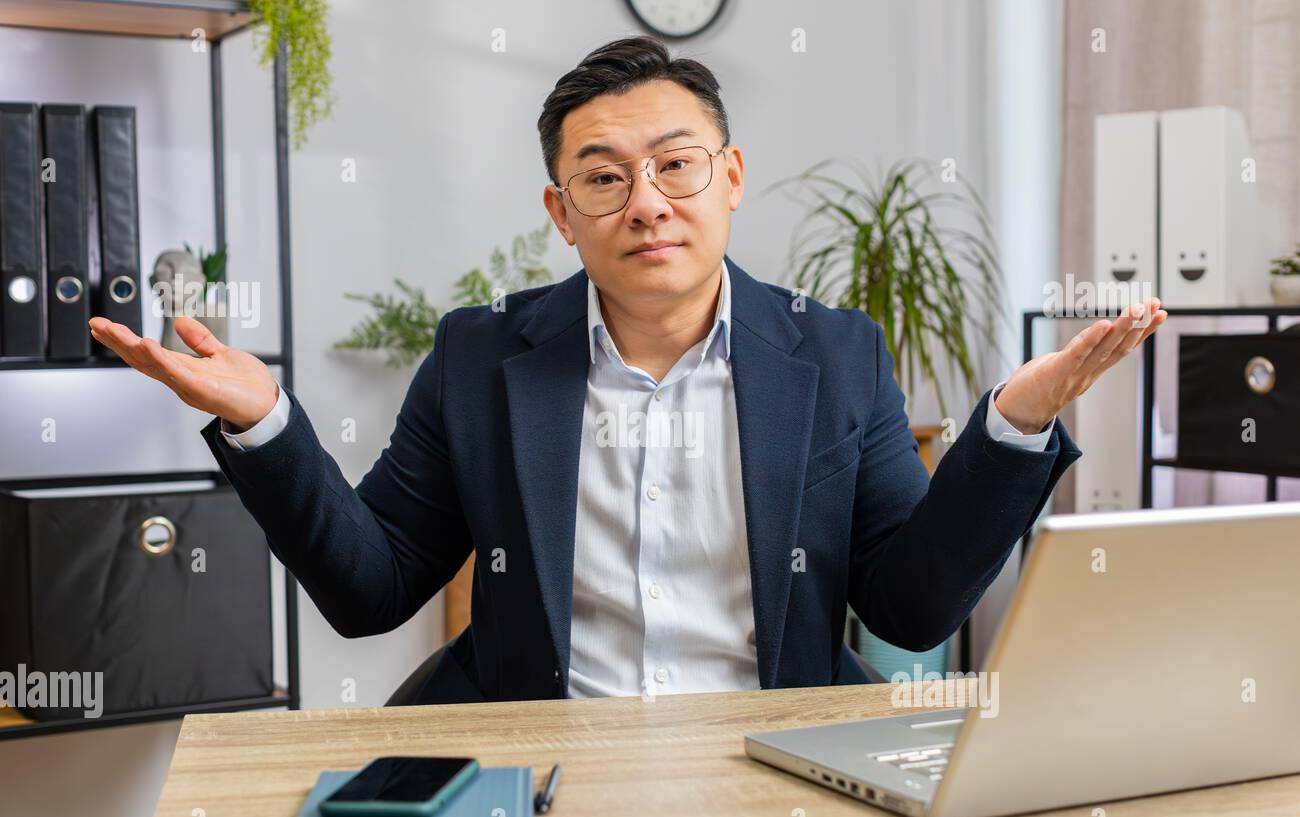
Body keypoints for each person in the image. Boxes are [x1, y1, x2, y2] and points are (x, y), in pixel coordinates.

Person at [88, 36, 1165, 705]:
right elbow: (371, 592)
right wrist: (269, 422)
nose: (646, 200)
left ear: (729, 175)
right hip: (541, 763)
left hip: (771, 757)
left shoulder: (836, 354)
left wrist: (1014, 425)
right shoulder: (480, 354)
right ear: (561, 213)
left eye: (675, 165)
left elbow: (909, 603)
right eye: (602, 177)